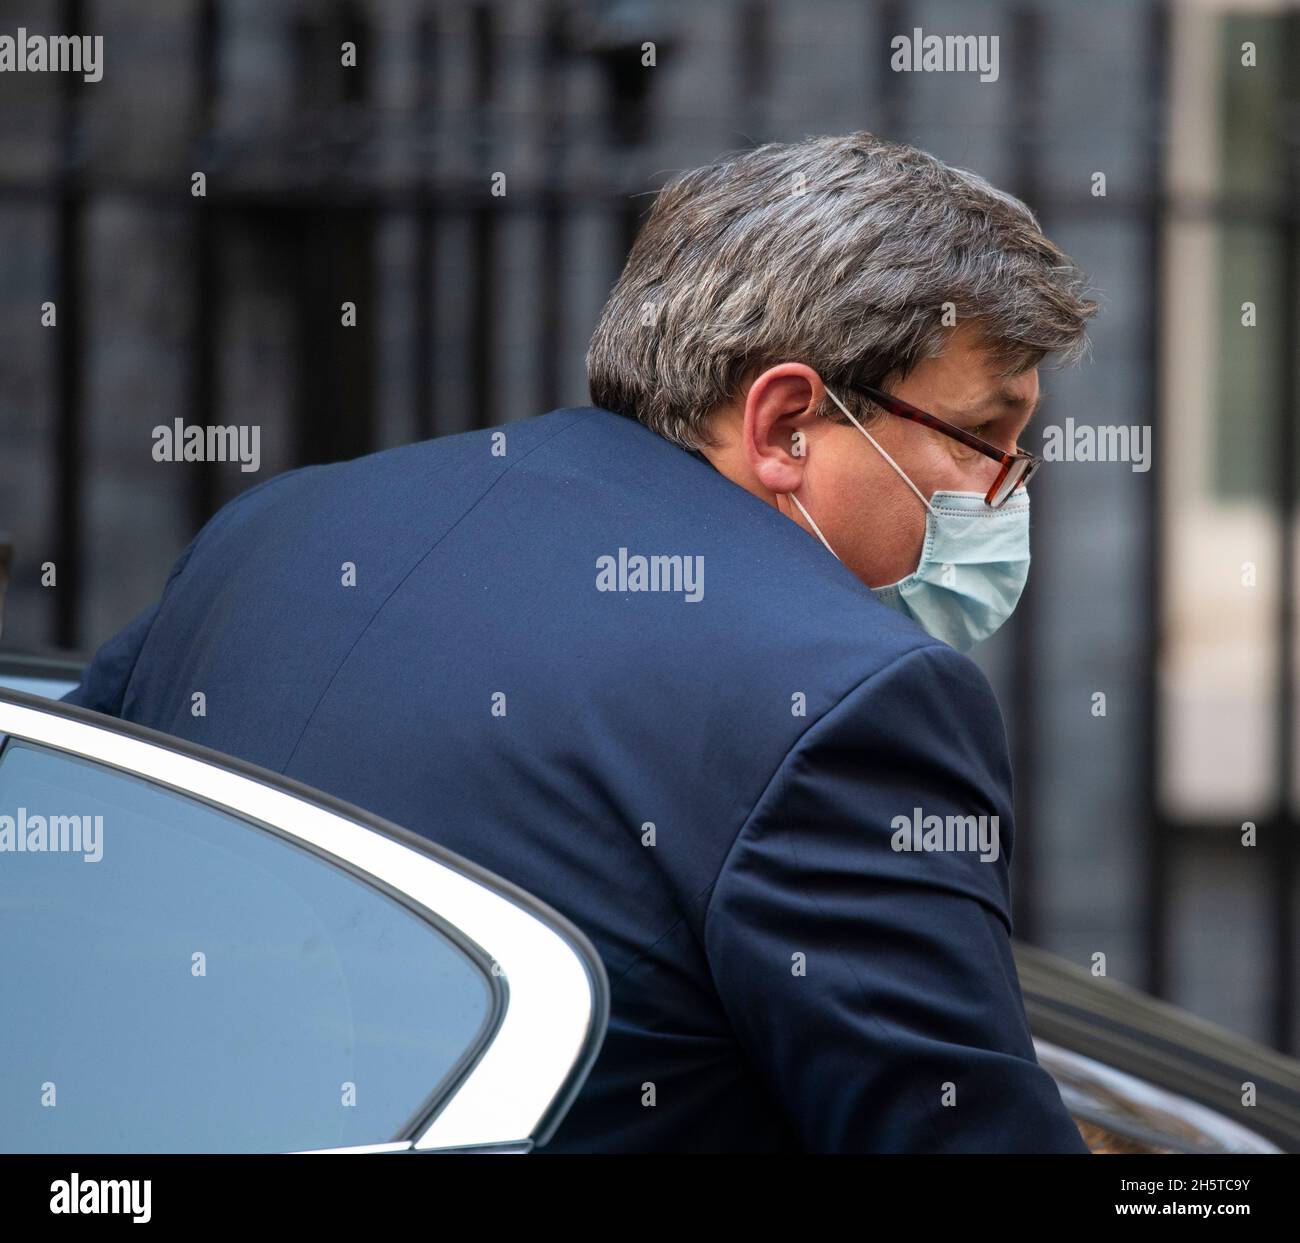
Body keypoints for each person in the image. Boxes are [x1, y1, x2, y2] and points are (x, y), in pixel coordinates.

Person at [66, 132, 1097, 1153]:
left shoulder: (278, 526)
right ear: (786, 423)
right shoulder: (850, 698)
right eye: (986, 437)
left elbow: (64, 873)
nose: (1003, 491)